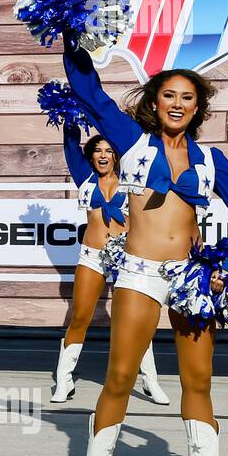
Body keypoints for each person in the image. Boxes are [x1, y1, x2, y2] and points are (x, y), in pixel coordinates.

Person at [61, 43, 228, 456]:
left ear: (199, 107)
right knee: (120, 379)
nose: (177, 103)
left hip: (192, 279)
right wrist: (73, 41)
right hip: (139, 274)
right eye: (168, 95)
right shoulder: (130, 142)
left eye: (187, 97)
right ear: (154, 102)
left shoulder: (212, 160)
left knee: (198, 384)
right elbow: (92, 96)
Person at [52, 124, 169, 406]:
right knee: (79, 317)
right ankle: (64, 380)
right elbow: (70, 146)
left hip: (126, 258)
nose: (103, 155)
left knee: (135, 322)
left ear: (116, 156)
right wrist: (69, 118)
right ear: (91, 156)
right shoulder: (85, 178)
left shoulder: (131, 179)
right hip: (92, 256)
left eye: (108, 151)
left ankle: (150, 380)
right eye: (97, 151)